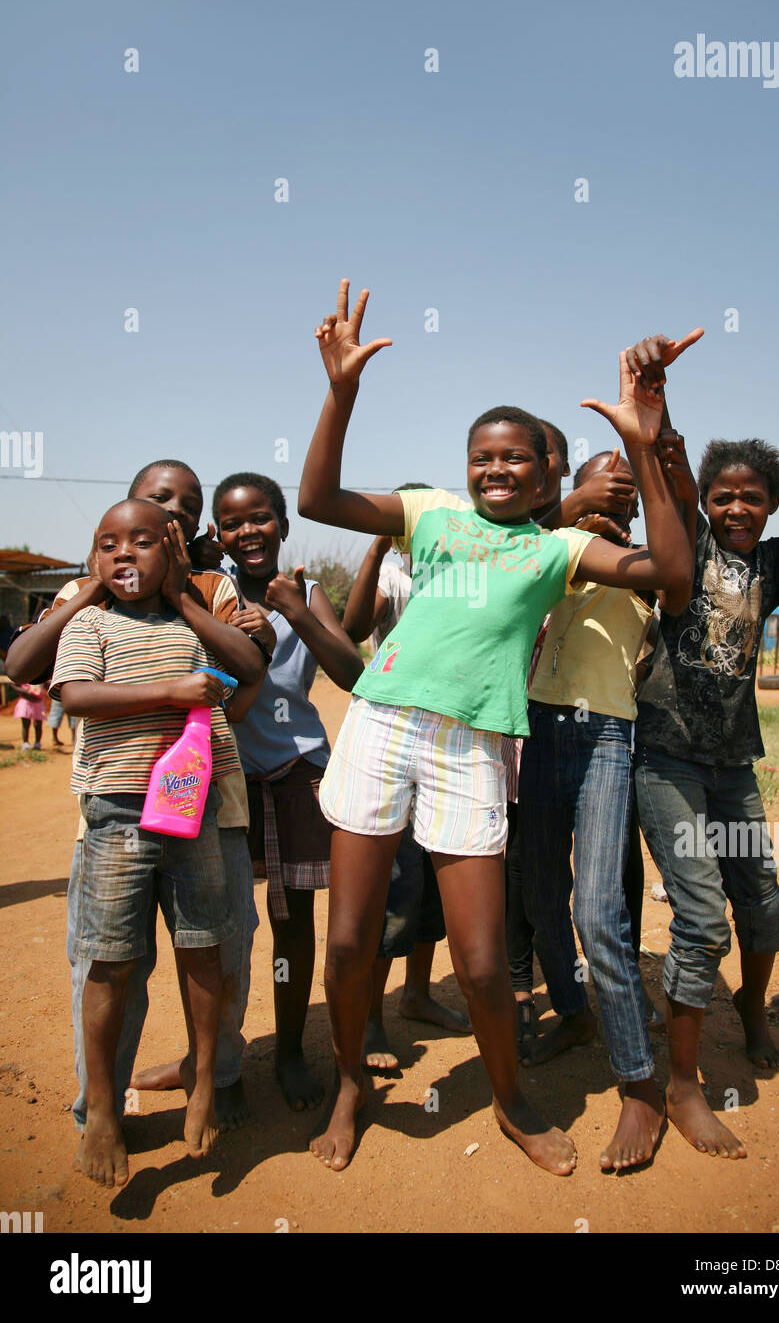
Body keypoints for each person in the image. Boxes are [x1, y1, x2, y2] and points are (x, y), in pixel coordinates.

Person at [295, 279, 694, 1175]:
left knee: (480, 963)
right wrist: (342, 390)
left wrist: (649, 444)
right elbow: (317, 498)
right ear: (465, 463)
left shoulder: (559, 549)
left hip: (473, 746)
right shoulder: (429, 511)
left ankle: (511, 1100)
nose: (497, 471)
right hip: (383, 724)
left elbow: (672, 570)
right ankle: (350, 1082)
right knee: (351, 939)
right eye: (484, 457)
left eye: (516, 459)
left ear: (551, 474)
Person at [630, 334, 779, 1159]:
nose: (736, 507)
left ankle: (755, 1013)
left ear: (770, 506)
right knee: (700, 916)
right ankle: (684, 1086)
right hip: (666, 759)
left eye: (753, 497)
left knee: (761, 904)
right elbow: (670, 470)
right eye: (725, 495)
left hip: (733, 764)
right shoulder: (688, 545)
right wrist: (659, 412)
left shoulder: (773, 562)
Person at [6, 458, 266, 1136]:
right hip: (117, 807)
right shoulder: (87, 597)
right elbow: (26, 668)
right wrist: (94, 588)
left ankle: (216, 1077)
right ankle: (100, 1101)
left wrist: (184, 594)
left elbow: (244, 677)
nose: (174, 511)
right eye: (158, 500)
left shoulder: (211, 592)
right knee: (112, 959)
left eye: (185, 505)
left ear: (187, 529)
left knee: (216, 946)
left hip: (210, 808)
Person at [518, 439, 692, 1171]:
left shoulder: (646, 565)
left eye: (627, 492)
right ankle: (576, 1011)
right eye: (601, 488)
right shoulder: (545, 549)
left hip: (604, 736)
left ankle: (640, 1086)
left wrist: (635, 505)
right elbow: (505, 551)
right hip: (537, 726)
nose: (614, 498)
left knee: (597, 908)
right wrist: (572, 517)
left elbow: (678, 576)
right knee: (537, 892)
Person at [212, 471, 365, 1110]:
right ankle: (212, 1060)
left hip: (298, 771)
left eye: (260, 518)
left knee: (293, 921)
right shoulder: (206, 594)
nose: (248, 531)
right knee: (216, 923)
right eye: (232, 522)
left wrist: (297, 613)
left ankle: (293, 1051)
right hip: (224, 774)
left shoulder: (304, 591)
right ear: (217, 535)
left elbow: (355, 672)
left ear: (282, 522)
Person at [342, 521, 470, 1071]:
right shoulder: (394, 578)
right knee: (392, 889)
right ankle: (372, 1017)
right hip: (394, 745)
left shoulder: (468, 579)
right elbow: (351, 628)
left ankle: (417, 994)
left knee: (434, 890)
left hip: (452, 750)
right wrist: (375, 547)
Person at [14, 680, 47, 750]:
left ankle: (37, 743)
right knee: (26, 724)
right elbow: (13, 684)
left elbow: (46, 685)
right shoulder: (24, 675)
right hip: (26, 701)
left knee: (38, 725)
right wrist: (25, 691)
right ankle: (25, 743)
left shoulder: (42, 675)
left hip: (39, 702)